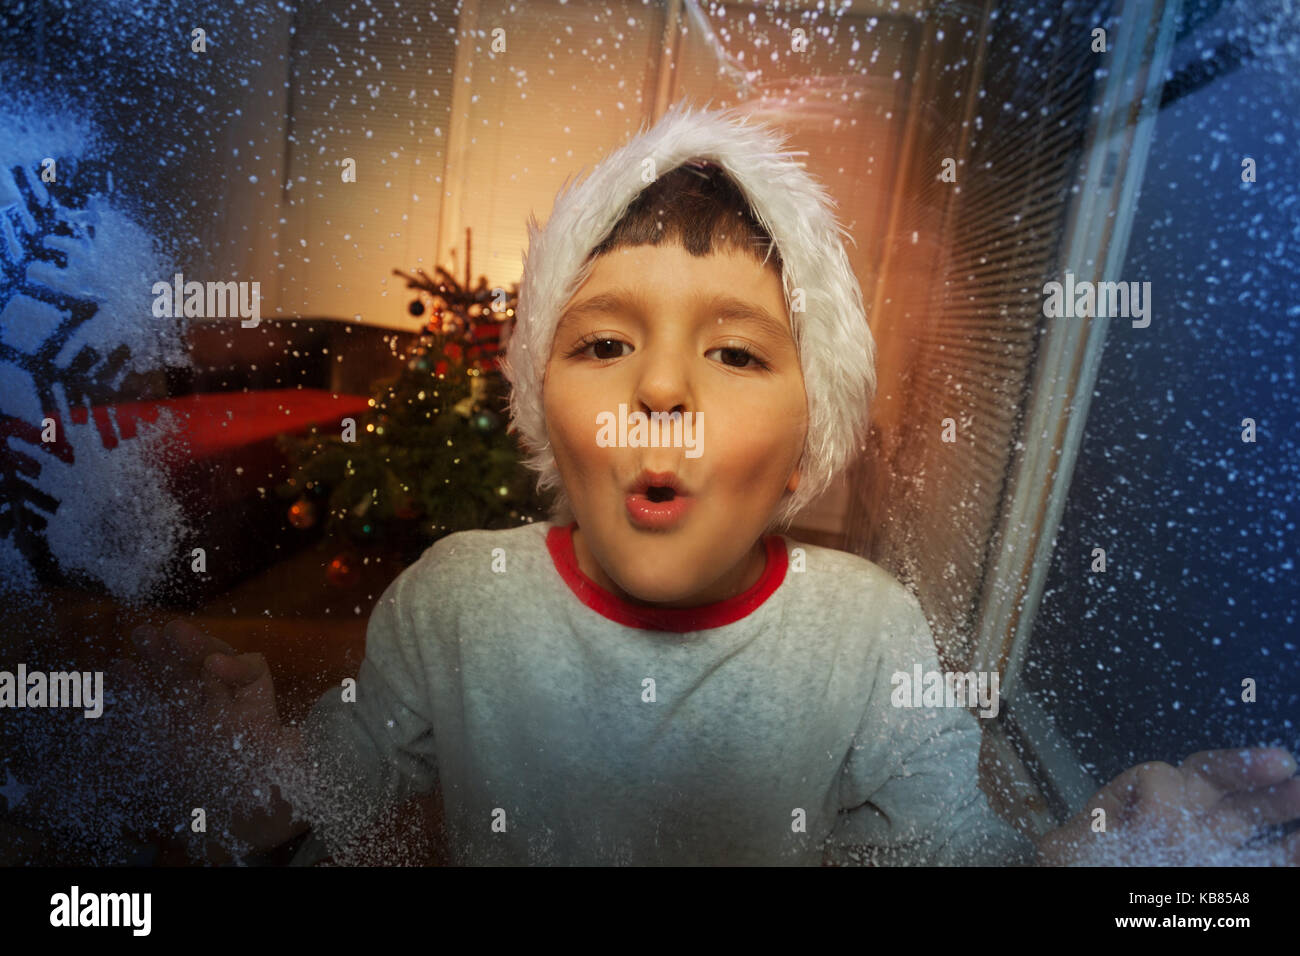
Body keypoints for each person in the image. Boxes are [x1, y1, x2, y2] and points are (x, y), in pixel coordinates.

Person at [131, 102, 1300, 866]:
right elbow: (327, 792)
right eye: (601, 345)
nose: (662, 387)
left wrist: (1094, 853)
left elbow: (952, 847)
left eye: (736, 352)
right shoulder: (452, 602)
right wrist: (244, 773)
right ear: (546, 412)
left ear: (808, 443)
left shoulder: (867, 633)